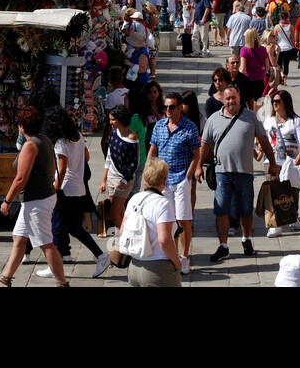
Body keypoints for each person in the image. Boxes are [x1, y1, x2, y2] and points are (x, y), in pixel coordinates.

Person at [196, 85, 278, 262]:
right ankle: (223, 246)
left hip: (244, 172)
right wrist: (198, 166)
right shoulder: (213, 119)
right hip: (222, 172)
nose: (230, 101)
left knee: (246, 209)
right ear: (223, 100)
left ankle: (246, 239)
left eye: (233, 98)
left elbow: (263, 140)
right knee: (221, 209)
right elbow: (205, 144)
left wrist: (272, 162)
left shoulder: (250, 116)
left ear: (239, 98)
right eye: (227, 99)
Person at [0, 106, 67, 287]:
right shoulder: (44, 140)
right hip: (39, 198)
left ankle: (63, 283)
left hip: (36, 201)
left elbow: (20, 179)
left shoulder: (30, 146)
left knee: (46, 244)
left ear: (22, 126)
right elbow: (52, 168)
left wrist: (7, 200)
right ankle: (5, 279)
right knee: (19, 238)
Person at [48, 107, 109, 279]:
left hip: (65, 190)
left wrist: (54, 188)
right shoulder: (78, 136)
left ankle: (55, 264)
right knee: (74, 228)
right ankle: (101, 256)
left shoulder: (61, 143)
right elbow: (87, 157)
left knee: (57, 227)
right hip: (79, 189)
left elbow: (62, 169)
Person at [148, 93, 201, 275]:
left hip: (180, 179)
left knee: (183, 220)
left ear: (180, 107)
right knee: (166, 221)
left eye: (172, 107)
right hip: (162, 182)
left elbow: (196, 155)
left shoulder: (189, 127)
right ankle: (171, 255)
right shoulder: (159, 125)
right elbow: (153, 150)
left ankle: (184, 257)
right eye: (166, 107)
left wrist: (187, 177)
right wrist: (149, 172)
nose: (168, 111)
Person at [123, 156, 182, 287]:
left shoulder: (134, 199)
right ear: (164, 180)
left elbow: (122, 231)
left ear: (145, 179)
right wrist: (177, 262)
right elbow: (164, 240)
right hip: (158, 269)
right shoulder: (163, 204)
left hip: (134, 267)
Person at [263, 90, 300, 238]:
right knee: (272, 191)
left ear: (285, 103)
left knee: (291, 191)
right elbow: (262, 139)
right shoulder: (268, 121)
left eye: (278, 101)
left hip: (290, 161)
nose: (275, 104)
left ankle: (292, 217)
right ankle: (274, 224)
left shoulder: (295, 121)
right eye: (273, 101)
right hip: (271, 161)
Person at [99, 106, 139, 237]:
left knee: (113, 214)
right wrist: (104, 179)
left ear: (121, 119)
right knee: (119, 212)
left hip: (124, 180)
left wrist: (124, 180)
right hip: (111, 177)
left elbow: (133, 164)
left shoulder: (132, 137)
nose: (110, 122)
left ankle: (126, 238)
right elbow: (109, 158)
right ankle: (122, 237)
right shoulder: (113, 134)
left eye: (113, 119)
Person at [239, 28, 271, 111]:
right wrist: (262, 73)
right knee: (258, 100)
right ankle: (257, 117)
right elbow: (267, 67)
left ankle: (251, 117)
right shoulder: (263, 49)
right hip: (259, 79)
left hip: (247, 79)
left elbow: (242, 68)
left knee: (248, 101)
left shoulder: (244, 50)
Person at [274, 11, 296, 85]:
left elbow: (275, 38)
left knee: (279, 63)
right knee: (286, 64)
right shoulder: (290, 26)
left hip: (279, 48)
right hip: (288, 47)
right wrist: (293, 45)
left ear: (280, 17)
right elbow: (293, 38)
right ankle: (285, 80)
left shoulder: (277, 26)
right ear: (287, 17)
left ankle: (281, 74)